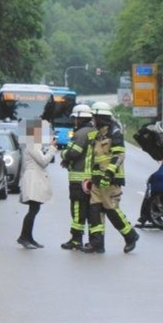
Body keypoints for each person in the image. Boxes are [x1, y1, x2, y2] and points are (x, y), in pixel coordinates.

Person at [80, 102, 139, 254]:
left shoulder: (115, 133)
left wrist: (108, 174)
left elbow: (119, 155)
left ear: (101, 117)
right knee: (95, 211)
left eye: (94, 117)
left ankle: (130, 235)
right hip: (97, 180)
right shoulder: (97, 134)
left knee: (111, 210)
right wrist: (89, 177)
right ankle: (97, 244)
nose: (93, 120)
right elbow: (94, 159)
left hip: (111, 180)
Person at [59, 104, 95, 249]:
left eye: (75, 118)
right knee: (90, 211)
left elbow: (74, 152)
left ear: (80, 119)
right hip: (91, 178)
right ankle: (93, 241)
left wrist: (63, 155)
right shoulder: (94, 131)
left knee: (77, 209)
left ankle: (76, 240)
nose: (74, 121)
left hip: (79, 179)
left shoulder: (80, 133)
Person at [17, 120, 57, 249]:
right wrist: (52, 148)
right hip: (33, 180)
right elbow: (43, 161)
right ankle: (24, 237)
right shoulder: (32, 145)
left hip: (34, 178)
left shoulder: (34, 145)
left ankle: (29, 237)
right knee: (33, 209)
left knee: (34, 209)